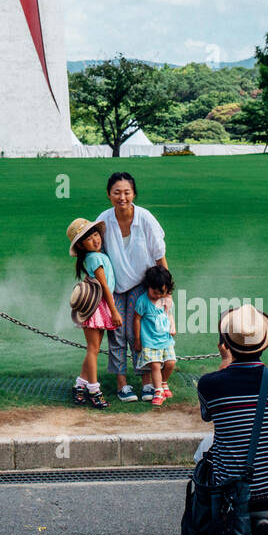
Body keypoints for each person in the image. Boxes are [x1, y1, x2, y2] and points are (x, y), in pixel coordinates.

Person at [194, 304, 268, 535]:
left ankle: (231, 522)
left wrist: (224, 363)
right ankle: (267, 524)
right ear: (265, 342)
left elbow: (209, 417)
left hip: (233, 499)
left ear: (225, 343)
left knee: (205, 447)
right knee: (264, 444)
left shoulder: (210, 384)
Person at [95, 172, 168, 402]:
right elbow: (93, 251)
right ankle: (122, 383)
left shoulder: (145, 218)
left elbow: (159, 255)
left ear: (134, 194)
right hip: (114, 286)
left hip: (142, 284)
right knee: (117, 334)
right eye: (117, 192)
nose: (122, 197)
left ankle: (146, 382)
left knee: (139, 333)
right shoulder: (103, 220)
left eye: (127, 192)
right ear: (109, 194)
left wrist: (166, 292)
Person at [66, 217, 121, 409]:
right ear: (81, 245)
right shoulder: (95, 258)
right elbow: (104, 286)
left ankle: (80, 385)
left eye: (96, 234)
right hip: (98, 307)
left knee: (93, 349)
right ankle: (94, 390)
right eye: (89, 239)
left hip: (100, 306)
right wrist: (114, 311)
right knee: (93, 349)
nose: (95, 239)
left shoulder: (97, 255)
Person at [132, 264, 177, 407]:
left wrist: (173, 327)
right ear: (148, 286)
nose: (158, 295)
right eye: (154, 292)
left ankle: (163, 383)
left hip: (165, 340)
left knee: (170, 363)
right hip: (150, 341)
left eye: (161, 292)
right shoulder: (143, 301)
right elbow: (137, 319)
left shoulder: (166, 301)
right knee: (156, 366)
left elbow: (169, 314)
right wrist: (138, 339)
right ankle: (158, 391)